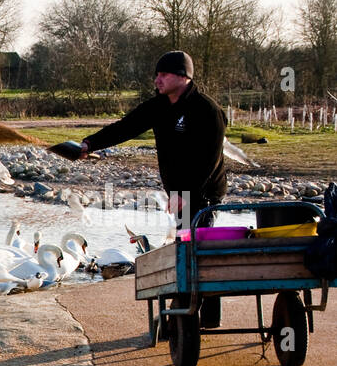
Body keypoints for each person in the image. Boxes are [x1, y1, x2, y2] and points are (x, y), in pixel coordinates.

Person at [75, 50, 228, 325]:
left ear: (183, 77)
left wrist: (188, 196)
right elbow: (126, 127)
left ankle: (205, 316)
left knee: (199, 248)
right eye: (156, 74)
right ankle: (188, 312)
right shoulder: (159, 106)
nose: (157, 80)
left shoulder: (208, 110)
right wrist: (90, 144)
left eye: (163, 74)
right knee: (185, 247)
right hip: (180, 193)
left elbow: (210, 158)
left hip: (205, 192)